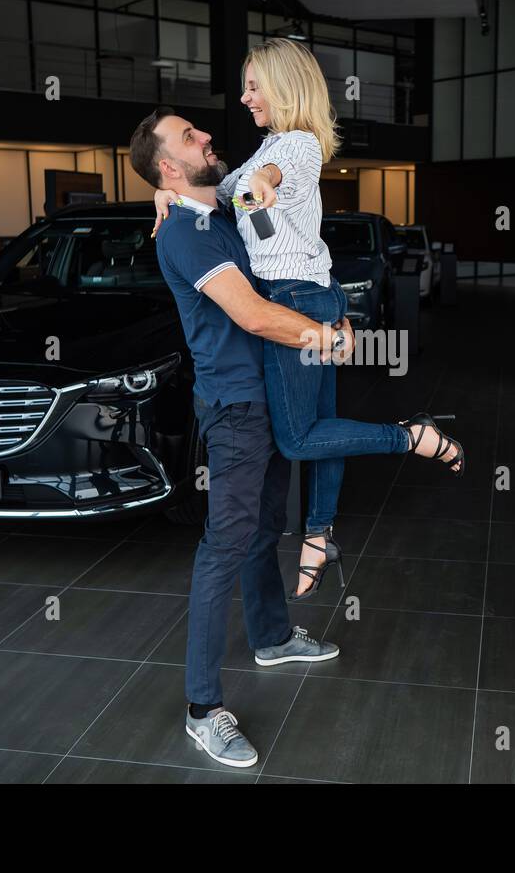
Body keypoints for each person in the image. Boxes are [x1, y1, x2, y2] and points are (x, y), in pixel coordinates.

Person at [153, 38, 465, 601]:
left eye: (254, 86)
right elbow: (215, 193)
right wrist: (163, 187)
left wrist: (262, 187)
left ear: (284, 86)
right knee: (323, 427)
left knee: (297, 439)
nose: (245, 98)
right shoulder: (265, 147)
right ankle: (319, 535)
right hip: (312, 294)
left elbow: (270, 177)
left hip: (293, 298)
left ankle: (411, 437)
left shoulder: (294, 147)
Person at [130, 107, 343, 769]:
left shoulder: (214, 214)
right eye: (191, 138)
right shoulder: (184, 239)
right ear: (168, 164)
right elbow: (251, 312)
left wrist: (168, 194)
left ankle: (273, 637)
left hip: (272, 393)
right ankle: (202, 709)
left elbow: (274, 238)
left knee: (260, 531)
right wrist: (326, 337)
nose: (207, 138)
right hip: (236, 407)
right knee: (224, 545)